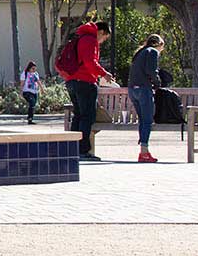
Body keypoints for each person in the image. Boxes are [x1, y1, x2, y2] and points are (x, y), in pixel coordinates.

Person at [59, 20, 117, 161]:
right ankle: (83, 150)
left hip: (72, 81)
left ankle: (72, 148)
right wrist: (104, 74)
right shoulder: (90, 40)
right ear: (101, 32)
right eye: (104, 38)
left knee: (78, 115)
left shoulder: (79, 37)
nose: (102, 41)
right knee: (87, 116)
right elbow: (90, 62)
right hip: (84, 82)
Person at [128, 34, 165, 163]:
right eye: (162, 46)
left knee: (142, 119)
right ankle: (144, 152)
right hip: (144, 89)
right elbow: (151, 71)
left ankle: (143, 151)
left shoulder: (140, 52)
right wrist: (158, 84)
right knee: (148, 120)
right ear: (158, 44)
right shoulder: (153, 52)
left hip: (133, 89)